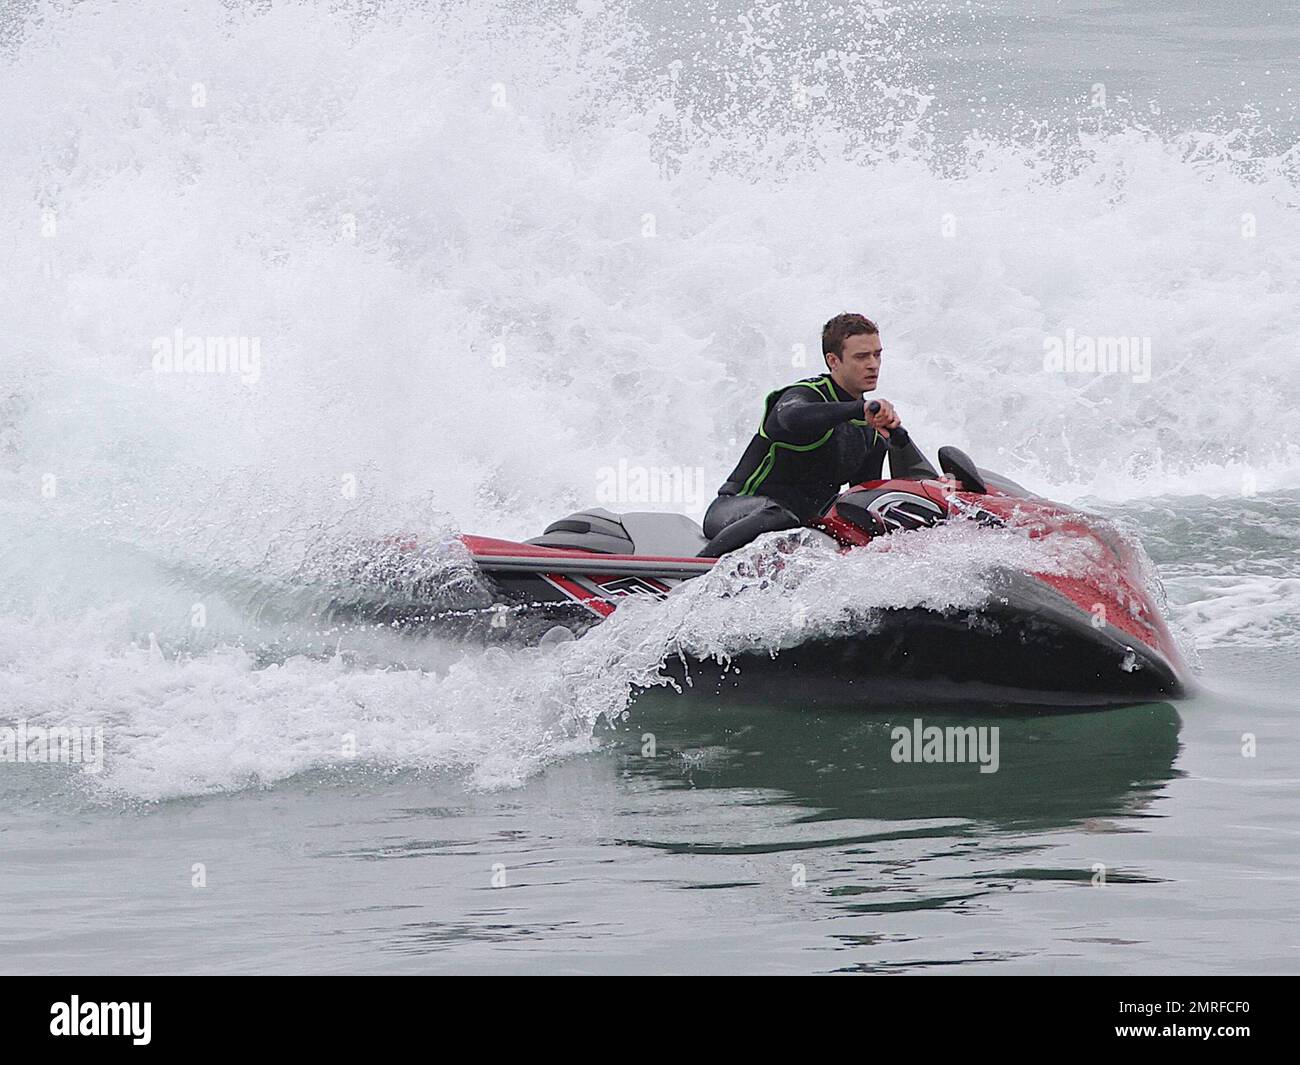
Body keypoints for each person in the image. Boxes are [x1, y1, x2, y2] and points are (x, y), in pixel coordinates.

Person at [699, 312, 902, 558]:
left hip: (795, 529)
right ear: (833, 360)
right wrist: (859, 408)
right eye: (861, 357)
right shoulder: (805, 396)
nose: (873, 364)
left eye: (877, 354)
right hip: (733, 512)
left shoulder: (871, 431)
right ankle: (693, 575)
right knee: (780, 516)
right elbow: (792, 417)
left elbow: (858, 501)